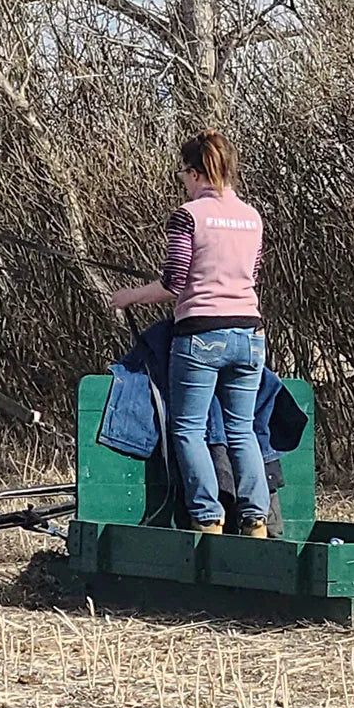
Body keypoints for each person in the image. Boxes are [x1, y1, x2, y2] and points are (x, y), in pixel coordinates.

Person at [108, 130, 269, 537]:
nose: (182, 180)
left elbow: (175, 282)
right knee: (242, 429)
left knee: (188, 429)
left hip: (201, 335)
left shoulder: (187, 215)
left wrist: (128, 296)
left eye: (183, 172)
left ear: (196, 173)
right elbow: (251, 274)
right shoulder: (252, 217)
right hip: (250, 334)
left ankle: (207, 518)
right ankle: (255, 521)